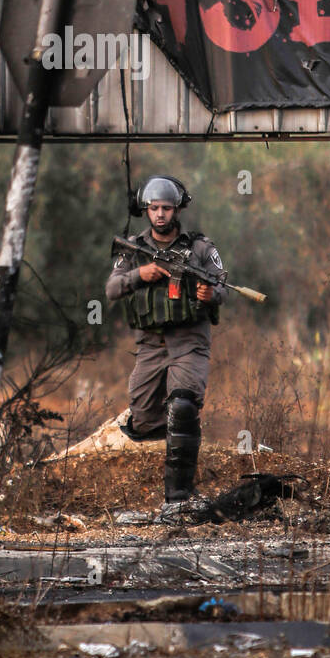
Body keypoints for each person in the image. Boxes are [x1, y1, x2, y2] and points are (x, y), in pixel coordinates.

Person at [104, 175, 227, 524]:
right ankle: (178, 438)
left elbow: (222, 286)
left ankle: (178, 500)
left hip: (189, 341)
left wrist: (210, 294)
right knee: (142, 421)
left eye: (167, 208)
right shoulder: (132, 248)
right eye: (154, 208)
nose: (160, 215)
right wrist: (139, 275)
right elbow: (112, 290)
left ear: (177, 209)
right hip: (150, 345)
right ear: (146, 209)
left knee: (183, 405)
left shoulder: (201, 248)